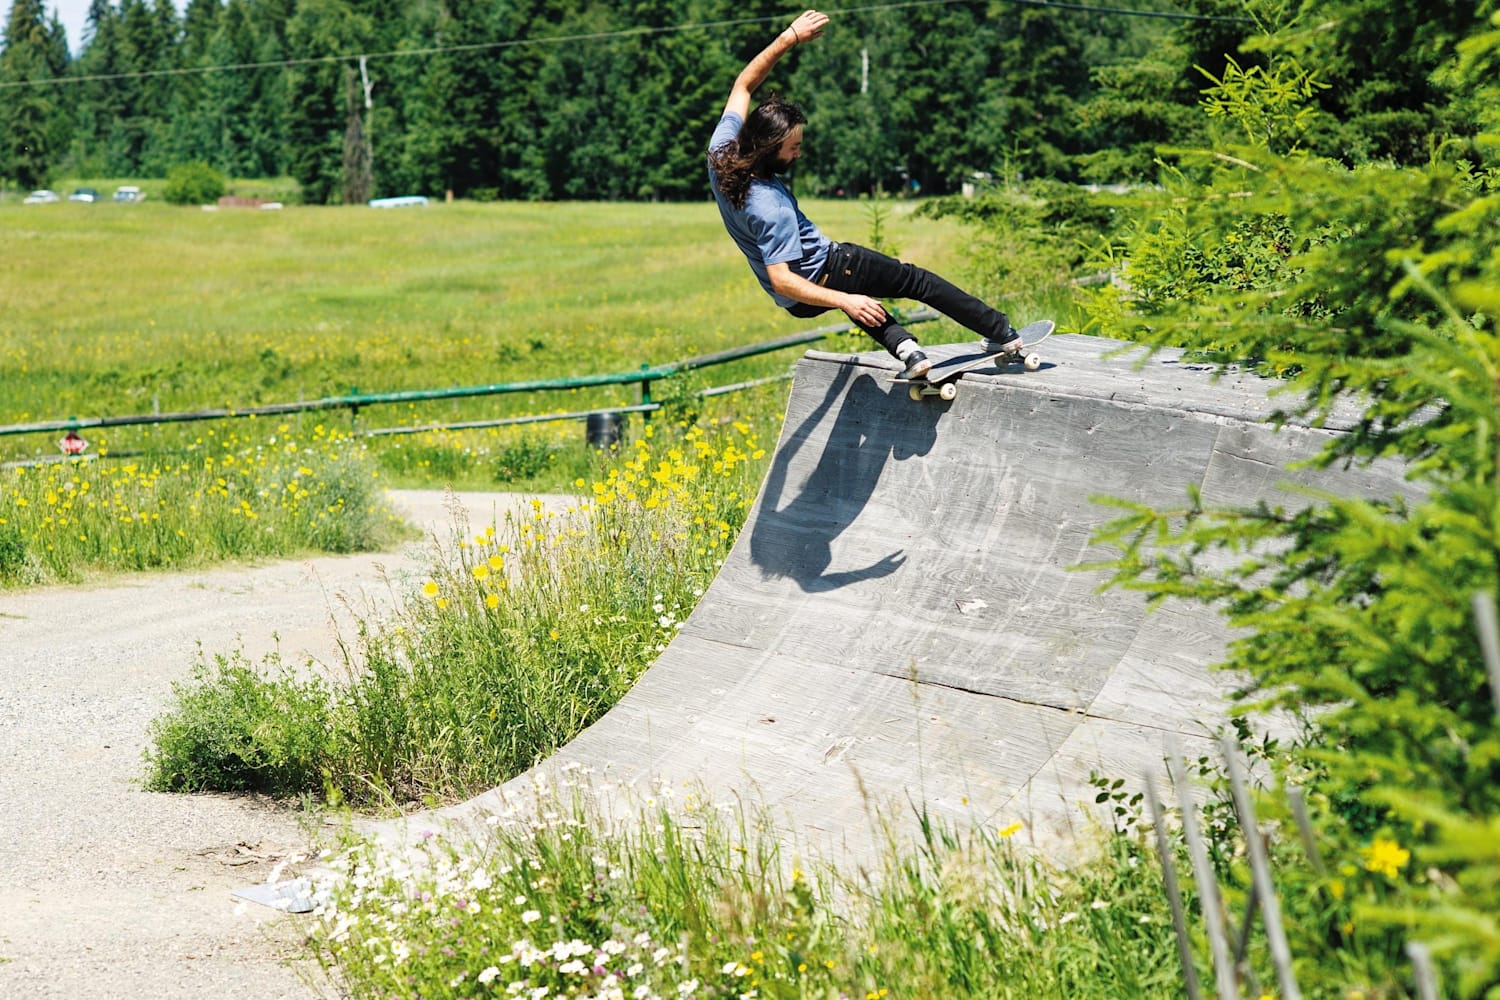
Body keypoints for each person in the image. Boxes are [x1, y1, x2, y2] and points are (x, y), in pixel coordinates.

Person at [707, 9, 1024, 380]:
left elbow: (744, 84)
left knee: (855, 291)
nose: (798, 154)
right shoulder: (770, 207)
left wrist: (789, 37)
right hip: (823, 273)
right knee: (914, 281)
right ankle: (1003, 332)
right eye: (792, 148)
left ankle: (908, 349)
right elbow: (783, 277)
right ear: (768, 147)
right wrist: (845, 300)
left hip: (796, 304)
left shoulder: (722, 153)